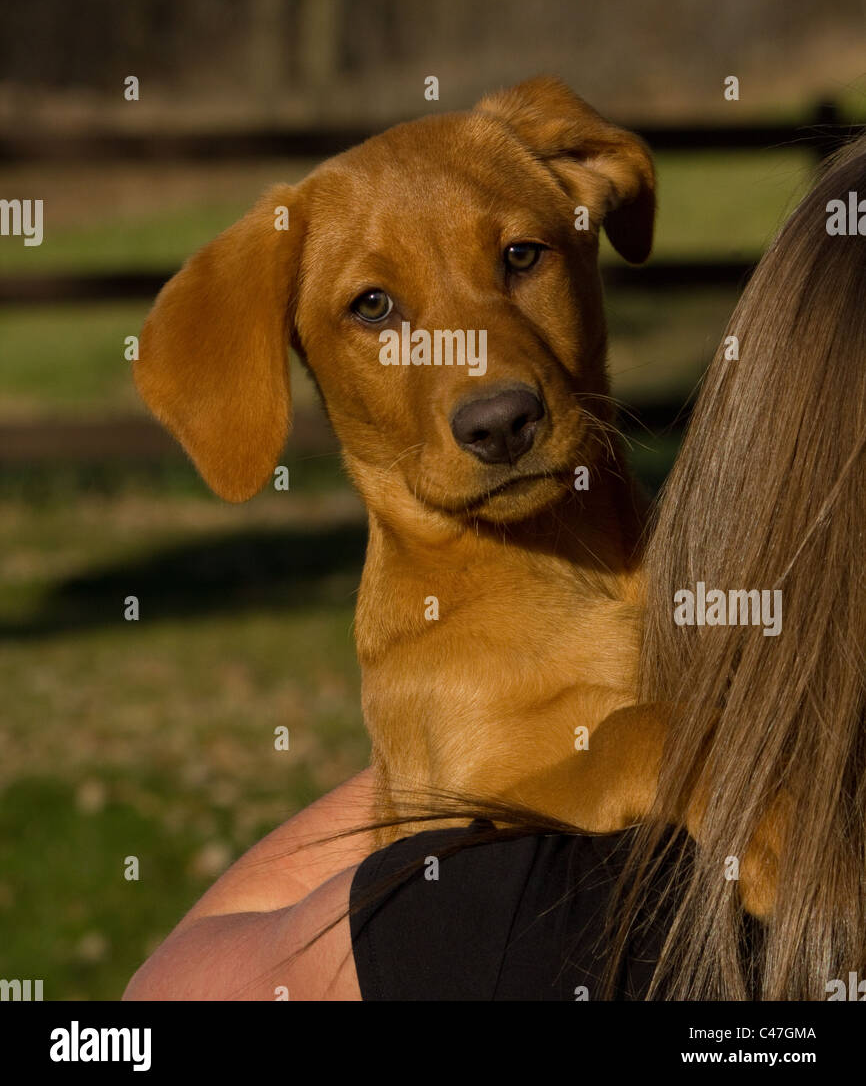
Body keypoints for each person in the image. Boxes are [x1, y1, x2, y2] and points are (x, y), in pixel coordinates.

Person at [124, 137, 866, 1002]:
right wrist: (642, 753)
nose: (489, 392)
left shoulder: (714, 565)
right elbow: (472, 861)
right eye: (374, 308)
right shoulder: (436, 672)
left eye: (519, 259)